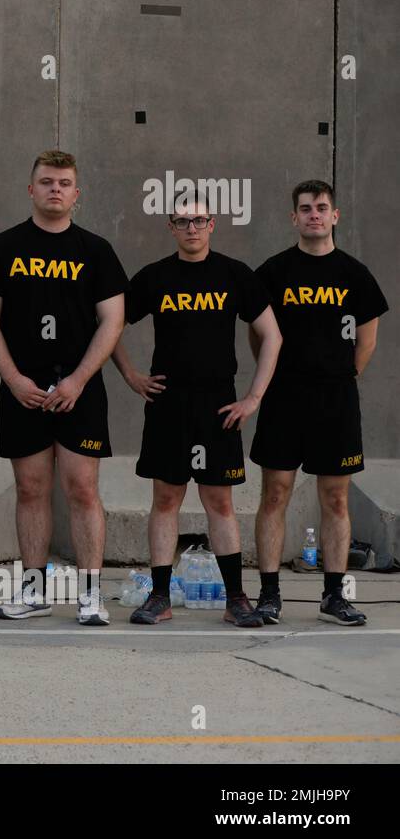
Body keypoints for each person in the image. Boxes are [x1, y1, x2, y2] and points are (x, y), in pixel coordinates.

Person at [111, 194, 281, 627]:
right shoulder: (154, 277)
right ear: (170, 227)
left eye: (199, 220)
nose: (192, 228)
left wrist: (253, 398)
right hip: (168, 403)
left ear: (212, 224)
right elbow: (109, 326)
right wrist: (131, 375)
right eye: (183, 221)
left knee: (219, 501)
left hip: (218, 405)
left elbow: (272, 337)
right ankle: (160, 598)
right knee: (165, 498)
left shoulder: (234, 274)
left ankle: (236, 600)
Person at [0, 150, 127, 625]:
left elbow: (113, 320)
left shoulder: (96, 250)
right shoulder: (2, 248)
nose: (55, 189)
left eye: (64, 183)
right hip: (24, 388)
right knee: (31, 488)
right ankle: (35, 591)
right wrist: (14, 378)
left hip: (80, 388)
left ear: (76, 194)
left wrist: (80, 378)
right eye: (46, 182)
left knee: (82, 488)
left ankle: (90, 595)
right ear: (31, 189)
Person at [249, 180, 389, 626]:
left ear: (335, 216)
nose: (313, 214)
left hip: (336, 400)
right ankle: (269, 594)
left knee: (336, 499)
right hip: (284, 398)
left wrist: (340, 376)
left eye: (321, 207)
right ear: (294, 217)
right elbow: (258, 336)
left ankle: (333, 596)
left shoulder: (355, 274)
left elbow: (366, 341)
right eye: (305, 208)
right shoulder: (273, 273)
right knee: (274, 494)